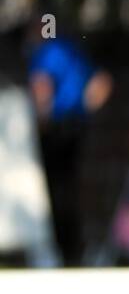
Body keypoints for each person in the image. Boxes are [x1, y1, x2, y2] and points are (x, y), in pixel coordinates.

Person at [25, 17, 112, 265]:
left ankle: (62, 251)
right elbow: (101, 82)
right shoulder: (69, 49)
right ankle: (75, 250)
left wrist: (42, 124)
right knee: (71, 189)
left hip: (56, 128)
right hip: (76, 126)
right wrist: (84, 108)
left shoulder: (46, 52)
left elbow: (41, 89)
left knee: (55, 191)